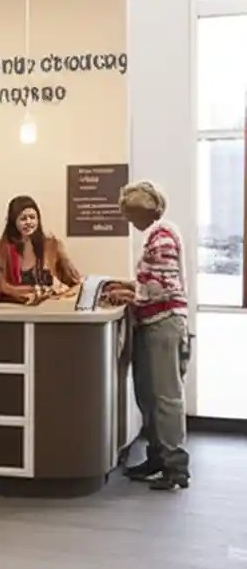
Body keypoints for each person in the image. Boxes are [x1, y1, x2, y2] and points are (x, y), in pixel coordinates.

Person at [104, 180, 191, 491]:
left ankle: (174, 467)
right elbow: (154, 280)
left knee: (165, 396)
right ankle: (158, 457)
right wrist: (128, 285)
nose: (128, 220)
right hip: (156, 322)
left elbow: (162, 286)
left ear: (143, 211)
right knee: (149, 394)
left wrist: (130, 294)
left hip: (163, 323)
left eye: (129, 214)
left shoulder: (161, 237)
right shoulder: (159, 233)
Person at [0, 195, 82, 304]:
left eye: (32, 217)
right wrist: (30, 292)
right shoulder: (0, 248)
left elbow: (76, 282)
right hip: (13, 307)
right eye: (23, 218)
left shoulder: (52, 246)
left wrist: (61, 293)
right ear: (13, 221)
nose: (28, 222)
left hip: (48, 307)